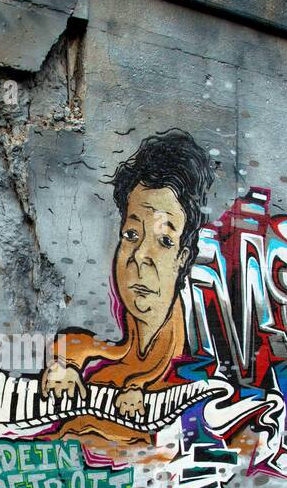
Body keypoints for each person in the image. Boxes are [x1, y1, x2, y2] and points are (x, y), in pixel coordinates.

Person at [40, 129, 215, 442]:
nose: (140, 258)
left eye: (164, 241)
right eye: (131, 236)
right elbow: (85, 346)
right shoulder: (117, 332)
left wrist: (143, 391)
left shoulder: (193, 342)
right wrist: (62, 366)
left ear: (182, 257)